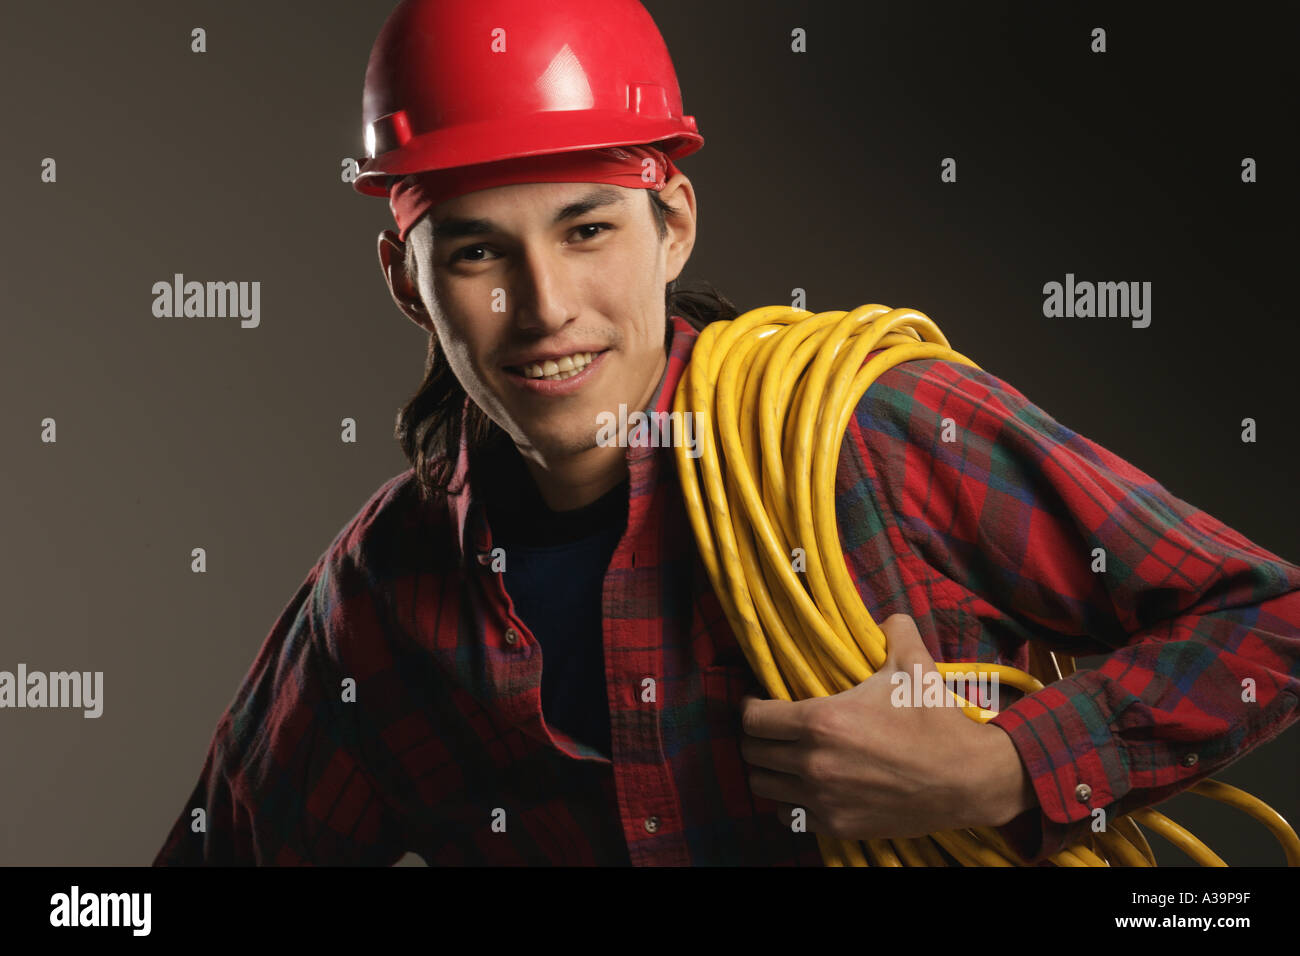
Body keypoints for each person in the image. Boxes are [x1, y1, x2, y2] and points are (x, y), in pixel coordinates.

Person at [153, 0, 1300, 866]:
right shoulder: (383, 595)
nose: (545, 303)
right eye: (475, 250)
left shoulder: (868, 433)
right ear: (409, 284)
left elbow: (1272, 618)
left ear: (673, 227)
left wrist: (1000, 766)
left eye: (588, 228)